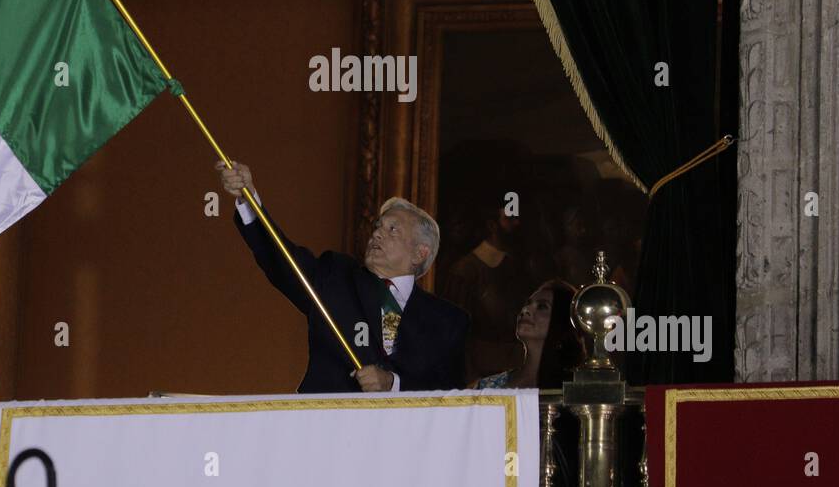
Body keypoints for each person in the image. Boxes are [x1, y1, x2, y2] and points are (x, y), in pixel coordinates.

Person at [217, 160, 467, 393]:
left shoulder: (447, 320)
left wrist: (392, 383)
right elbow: (282, 261)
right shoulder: (334, 276)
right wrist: (249, 200)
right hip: (328, 429)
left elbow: (451, 395)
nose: (377, 234)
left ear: (419, 253)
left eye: (392, 229)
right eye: (378, 226)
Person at [437, 199, 534, 382]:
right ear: (492, 225)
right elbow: (456, 333)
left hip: (517, 364)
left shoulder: (515, 266)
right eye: (510, 219)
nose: (517, 224)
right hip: (482, 370)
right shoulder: (465, 271)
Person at [471, 280, 580, 389]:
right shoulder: (489, 387)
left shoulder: (576, 388)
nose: (525, 310)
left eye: (542, 306)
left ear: (562, 321)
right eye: (527, 304)